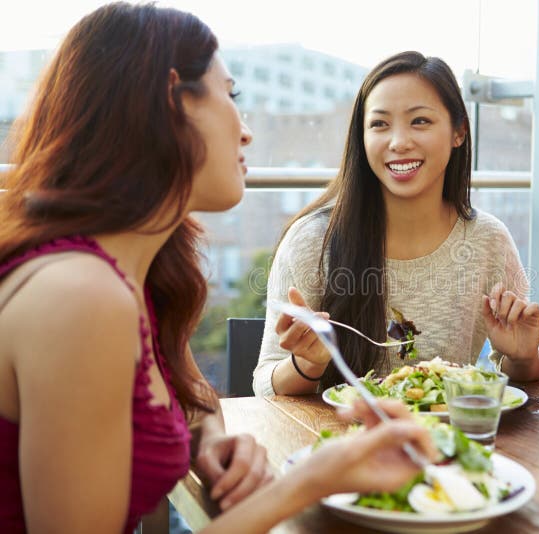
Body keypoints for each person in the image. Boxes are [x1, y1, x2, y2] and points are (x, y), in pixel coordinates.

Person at [0, 3, 435, 532]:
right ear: (170, 101)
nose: (246, 133)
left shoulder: (137, 272)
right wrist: (312, 480)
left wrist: (209, 437)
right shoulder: (81, 297)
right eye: (231, 96)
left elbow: (188, 391)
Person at [254, 51, 539, 397]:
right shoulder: (312, 241)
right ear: (361, 138)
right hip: (338, 442)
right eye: (379, 124)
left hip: (444, 443)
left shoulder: (487, 240)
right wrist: (307, 364)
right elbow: (265, 383)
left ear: (458, 132)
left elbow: (531, 365)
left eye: (420, 121)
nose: (398, 142)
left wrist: (523, 356)